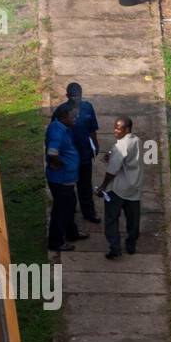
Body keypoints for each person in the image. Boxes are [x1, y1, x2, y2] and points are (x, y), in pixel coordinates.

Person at [95, 117, 143, 259]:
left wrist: (103, 187)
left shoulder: (120, 146)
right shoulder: (137, 140)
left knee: (111, 219)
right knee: (133, 220)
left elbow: (112, 170)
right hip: (134, 188)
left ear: (126, 129)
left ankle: (115, 248)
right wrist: (112, 154)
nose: (115, 131)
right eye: (114, 127)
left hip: (117, 189)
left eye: (118, 128)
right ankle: (131, 245)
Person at [45, 102, 85, 252]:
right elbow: (52, 152)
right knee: (60, 211)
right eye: (73, 116)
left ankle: (71, 233)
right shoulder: (57, 132)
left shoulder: (63, 127)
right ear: (63, 117)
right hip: (60, 179)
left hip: (67, 180)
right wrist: (60, 164)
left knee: (69, 206)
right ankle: (56, 242)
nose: (76, 118)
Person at [65, 82, 101, 223]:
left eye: (78, 95)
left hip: (85, 153)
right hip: (69, 155)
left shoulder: (87, 107)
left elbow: (92, 128)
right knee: (68, 185)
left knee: (85, 185)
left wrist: (95, 144)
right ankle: (70, 210)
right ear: (67, 96)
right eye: (73, 96)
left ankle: (89, 213)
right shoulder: (62, 111)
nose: (76, 98)